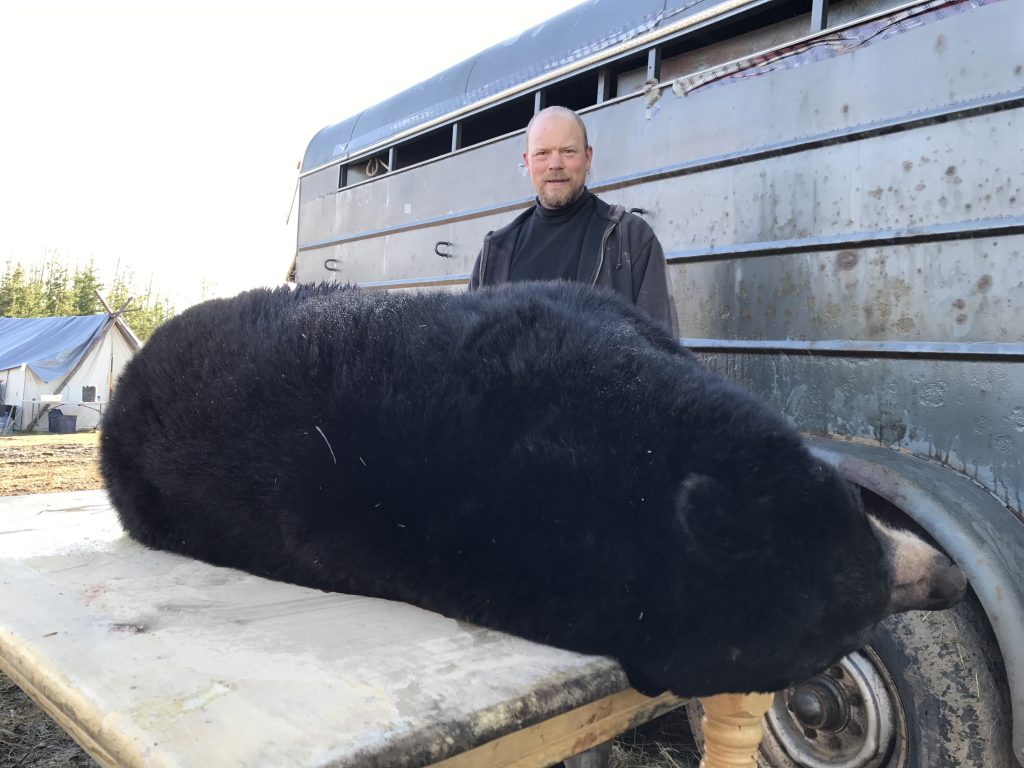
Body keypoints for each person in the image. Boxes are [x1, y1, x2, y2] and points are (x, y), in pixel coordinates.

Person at [469, 105, 678, 337]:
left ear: (588, 158)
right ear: (527, 162)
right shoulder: (496, 253)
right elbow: (468, 353)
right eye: (542, 153)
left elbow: (664, 353)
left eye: (568, 151)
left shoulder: (632, 240)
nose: (555, 164)